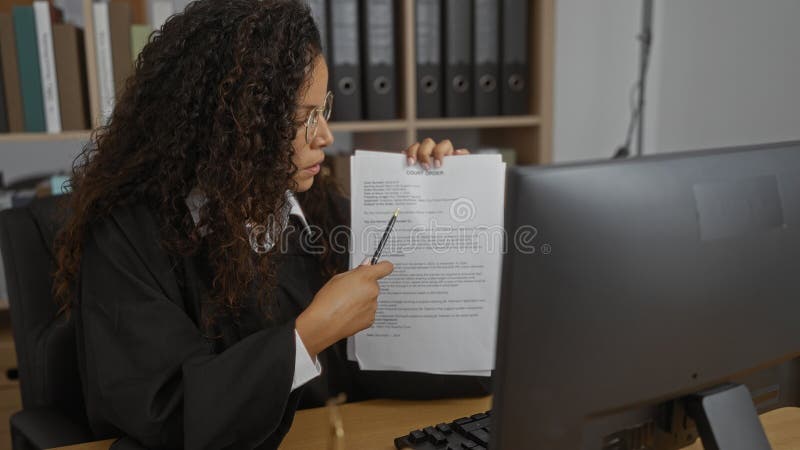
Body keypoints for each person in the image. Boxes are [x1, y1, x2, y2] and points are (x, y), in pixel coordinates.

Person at [52, 1, 488, 448]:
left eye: (324, 109)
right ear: (232, 124)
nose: (325, 136)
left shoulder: (319, 210)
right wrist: (307, 336)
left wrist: (439, 211)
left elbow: (418, 369)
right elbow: (168, 414)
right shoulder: (125, 238)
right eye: (304, 117)